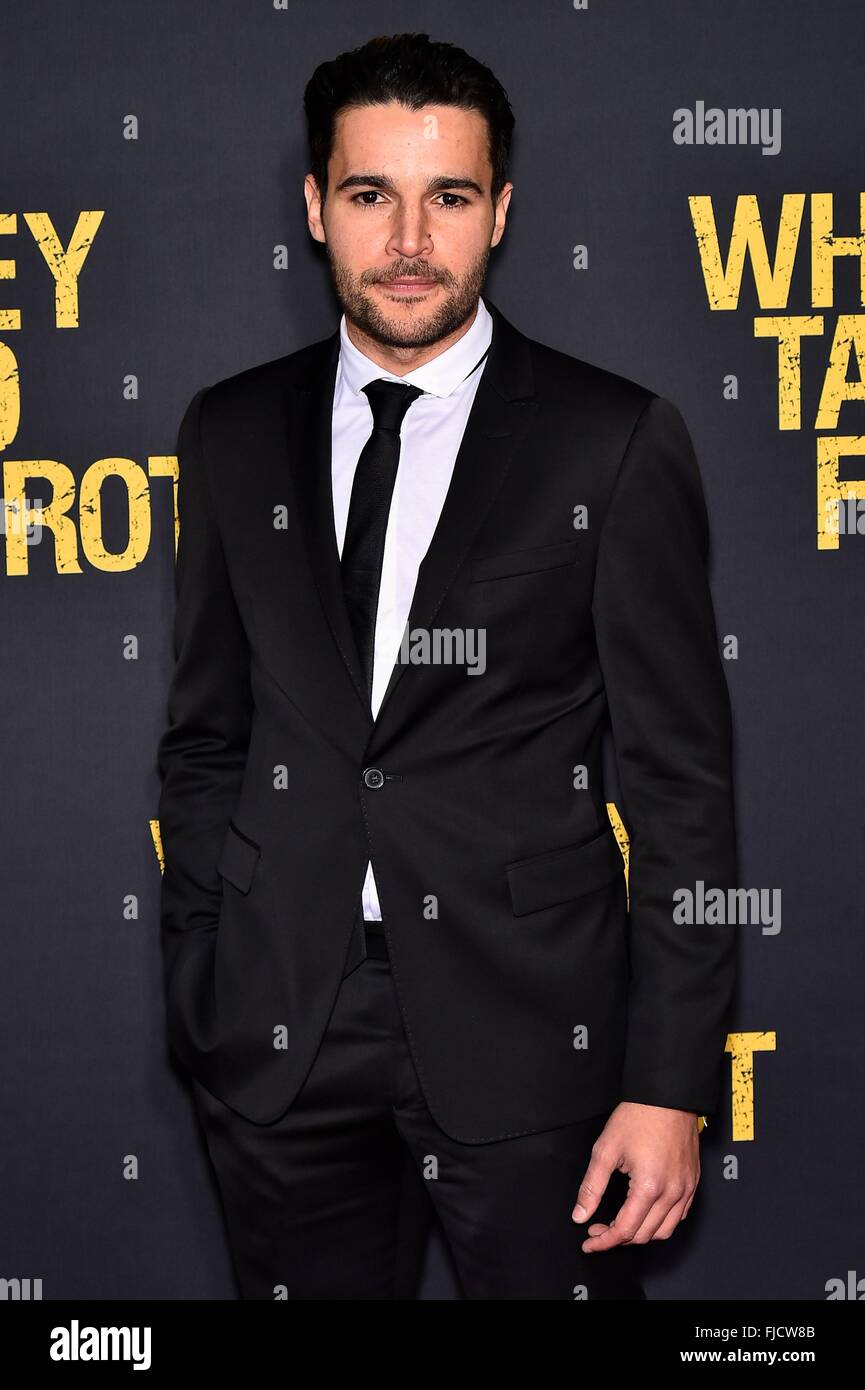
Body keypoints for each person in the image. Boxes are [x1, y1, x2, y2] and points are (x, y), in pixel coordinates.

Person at [156, 31, 738, 1300]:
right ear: (315, 208)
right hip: (277, 1035)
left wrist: (668, 1082)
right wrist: (205, 970)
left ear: (501, 213)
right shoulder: (231, 430)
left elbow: (682, 785)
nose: (409, 238)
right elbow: (206, 732)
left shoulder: (612, 440)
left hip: (531, 1035)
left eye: (449, 197)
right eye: (371, 195)